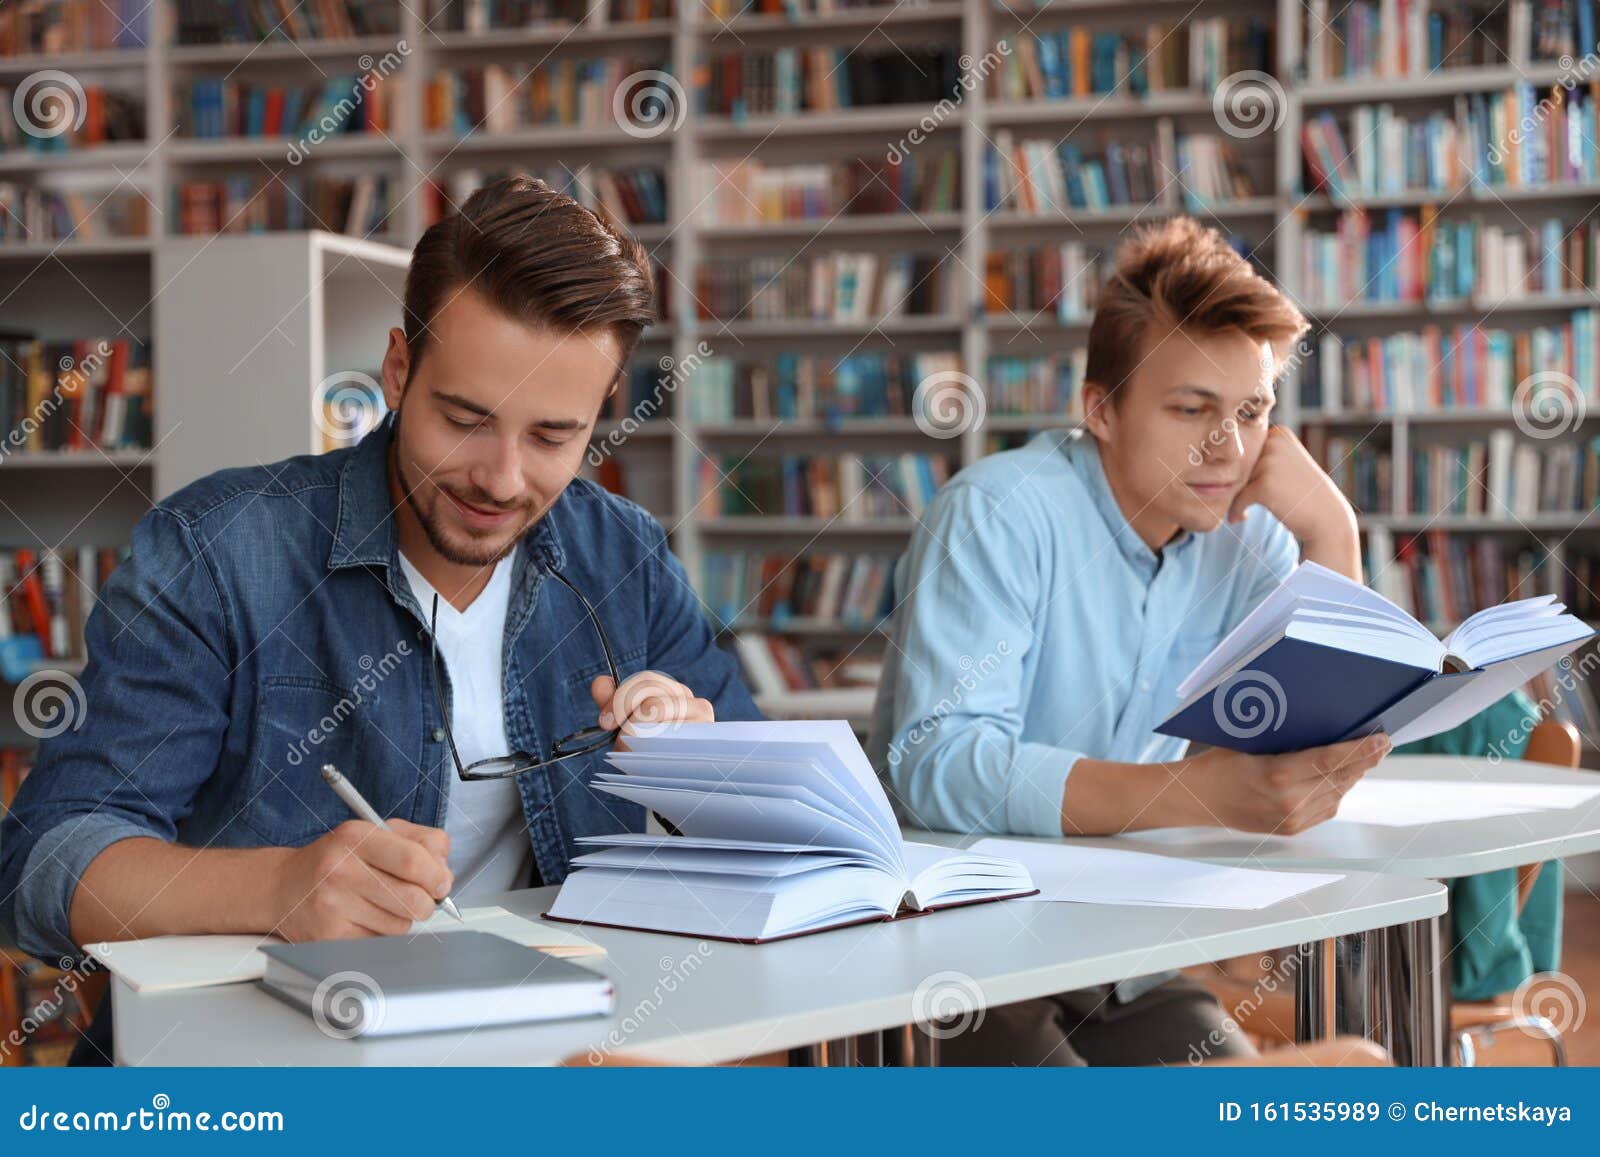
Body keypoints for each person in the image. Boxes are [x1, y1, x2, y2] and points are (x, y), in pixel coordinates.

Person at [0, 175, 759, 1061]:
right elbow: (42, 863)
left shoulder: (619, 554)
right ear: (398, 370)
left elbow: (773, 830)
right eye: (465, 419)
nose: (503, 478)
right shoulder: (220, 551)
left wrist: (696, 767)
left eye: (553, 436)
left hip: (525, 1052)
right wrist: (278, 886)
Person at [866, 216, 1390, 1065]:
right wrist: (1194, 793)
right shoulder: (1000, 514)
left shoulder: (1252, 535)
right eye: (1193, 410)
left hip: (1120, 949)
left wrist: (1335, 534)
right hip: (961, 945)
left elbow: (1325, 750)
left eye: (1252, 412)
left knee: (1275, 1088)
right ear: (1100, 411)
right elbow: (938, 761)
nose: (1229, 448)